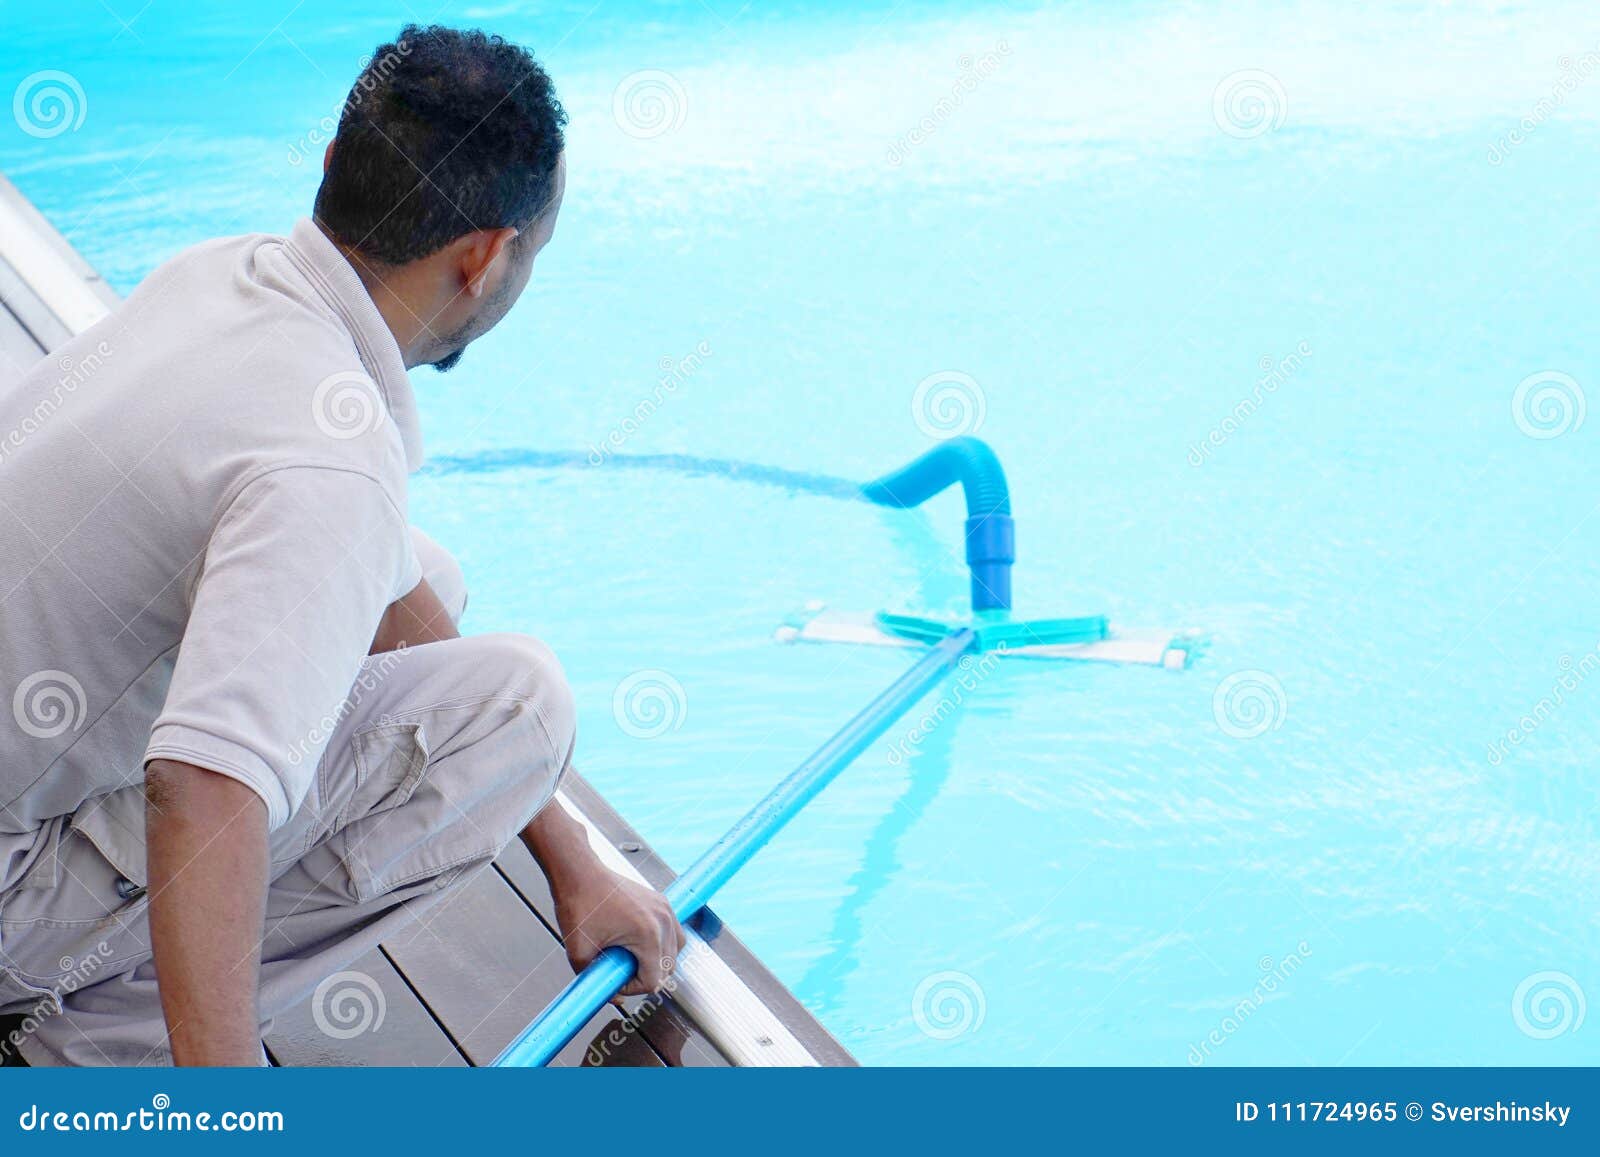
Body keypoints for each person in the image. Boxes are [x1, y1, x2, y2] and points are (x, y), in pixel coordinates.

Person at [0, 24, 684, 1066]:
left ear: (334, 167)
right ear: (486, 258)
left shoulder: (218, 276)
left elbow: (384, 587)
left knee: (418, 575)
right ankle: (86, 1061)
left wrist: (573, 858)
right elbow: (203, 791)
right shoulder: (327, 463)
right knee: (518, 705)